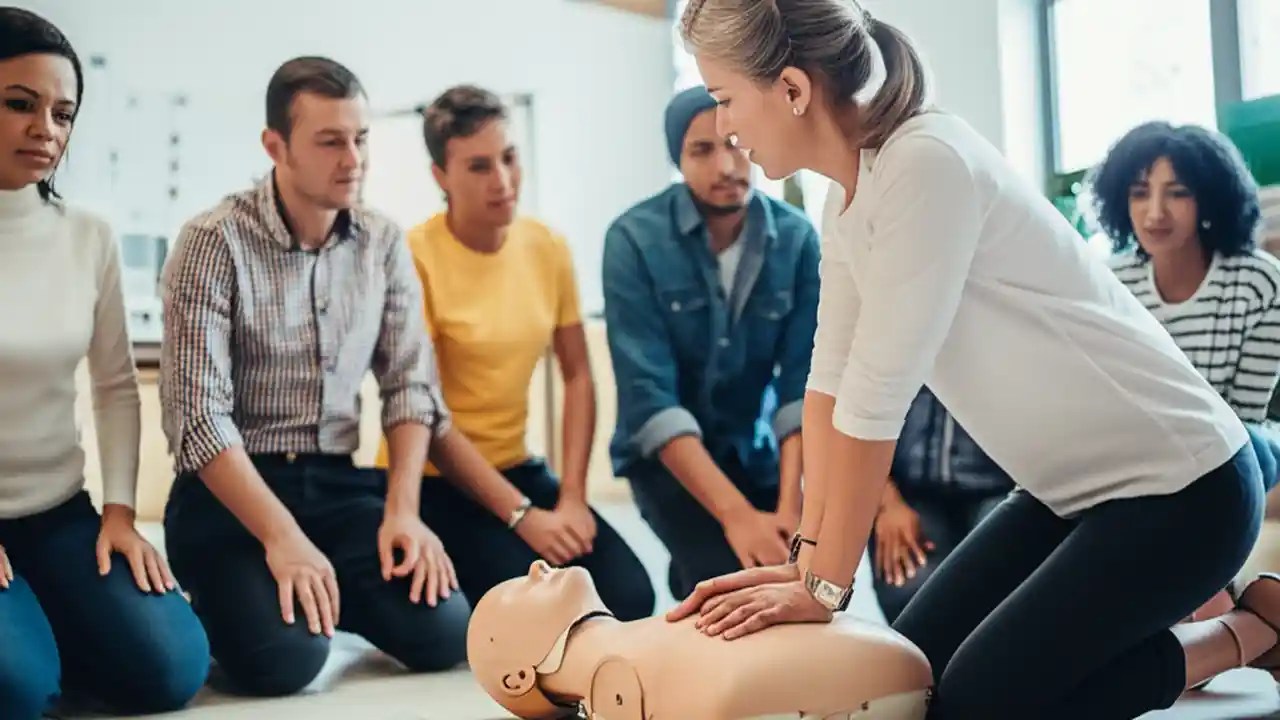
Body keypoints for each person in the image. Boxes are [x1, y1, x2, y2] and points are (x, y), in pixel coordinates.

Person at [665, 1, 1280, 718]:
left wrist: (824, 587)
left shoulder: (926, 163)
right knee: (908, 678)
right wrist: (805, 563)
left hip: (1187, 490)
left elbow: (876, 398)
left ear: (793, 89)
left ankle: (1247, 633)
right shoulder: (848, 195)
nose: (727, 127)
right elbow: (830, 382)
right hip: (1069, 494)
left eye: (726, 99)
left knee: (973, 705)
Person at [159, 56, 468, 698]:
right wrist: (282, 538)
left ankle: (320, 592)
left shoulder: (382, 242)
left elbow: (410, 387)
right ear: (276, 147)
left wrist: (403, 513)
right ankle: (247, 597)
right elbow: (198, 418)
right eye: (330, 142)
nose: (353, 159)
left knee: (443, 631)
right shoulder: (213, 241)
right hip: (232, 494)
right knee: (284, 663)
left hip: (335, 483)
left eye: (361, 138)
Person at [373, 85, 653, 621]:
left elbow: (577, 375)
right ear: (441, 177)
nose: (502, 181)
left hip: (518, 467)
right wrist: (522, 517)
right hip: (437, 481)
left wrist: (572, 499)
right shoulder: (414, 257)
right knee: (541, 610)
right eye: (479, 166)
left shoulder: (547, 246)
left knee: (630, 596)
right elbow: (424, 410)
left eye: (509, 157)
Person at [0, 8, 209, 718]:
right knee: (18, 692)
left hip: (61, 514)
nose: (46, 130)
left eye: (62, 114)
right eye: (20, 104)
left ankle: (42, 626)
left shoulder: (89, 236)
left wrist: (119, 512)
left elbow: (116, 386)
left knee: (172, 668)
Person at [602, 84, 821, 601]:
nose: (726, 165)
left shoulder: (797, 239)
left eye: (736, 144)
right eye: (701, 150)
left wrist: (791, 510)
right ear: (677, 159)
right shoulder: (632, 240)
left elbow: (801, 385)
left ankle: (694, 564)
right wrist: (737, 516)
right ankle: (695, 560)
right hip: (666, 462)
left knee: (792, 573)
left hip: (754, 451)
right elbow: (651, 402)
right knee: (727, 582)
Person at [466, 560, 933, 719]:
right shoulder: (616, 681)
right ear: (517, 677)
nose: (537, 567)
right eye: (517, 591)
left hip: (876, 665)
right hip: (874, 674)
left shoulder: (646, 634)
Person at [1091, 121, 1280, 493]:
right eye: (1139, 193)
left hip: (1230, 455)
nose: (1155, 213)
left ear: (1208, 199)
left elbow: (1243, 422)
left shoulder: (1259, 283)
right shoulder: (1109, 282)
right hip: (1134, 453)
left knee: (1256, 452)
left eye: (1177, 193)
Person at [868, 387, 1013, 623]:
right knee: (913, 595)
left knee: (999, 594)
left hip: (1006, 485)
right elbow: (852, 416)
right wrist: (885, 501)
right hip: (905, 491)